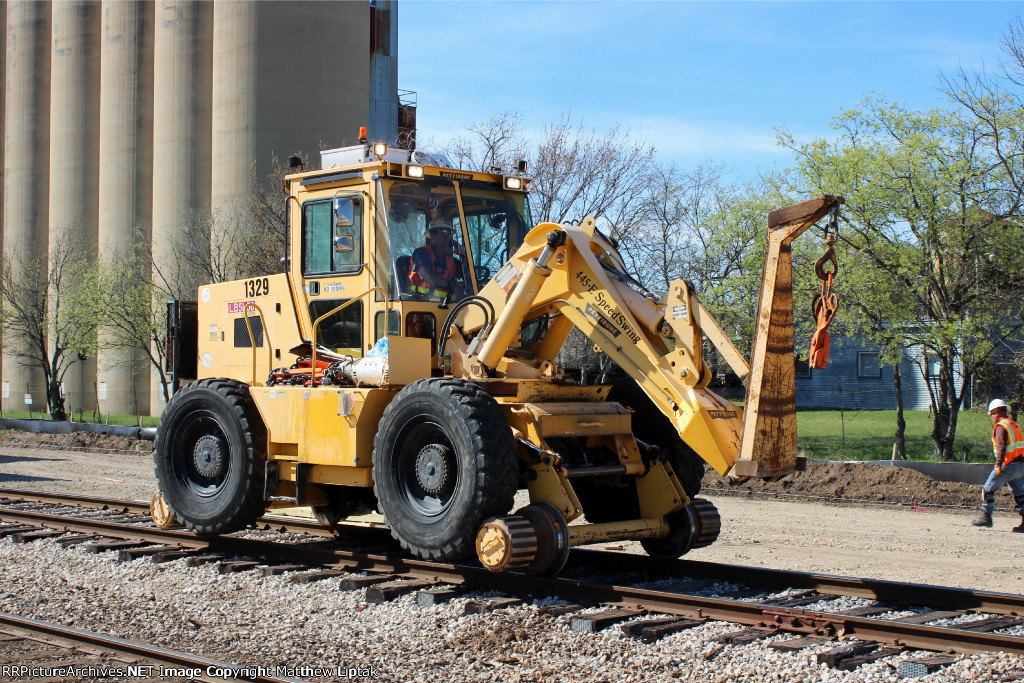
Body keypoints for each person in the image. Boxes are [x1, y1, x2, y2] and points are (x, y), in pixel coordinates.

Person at [972, 399, 1024, 531]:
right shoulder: (1013, 424)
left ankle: (986, 517)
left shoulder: (1001, 426)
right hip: (1020, 466)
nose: (992, 418)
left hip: (1007, 465)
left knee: (988, 489)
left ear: (996, 412)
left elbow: (1001, 446)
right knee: (1020, 494)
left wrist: (998, 464)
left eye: (992, 414)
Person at [409, 217, 463, 300]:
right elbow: (426, 276)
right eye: (443, 233)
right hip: (422, 304)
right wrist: (452, 285)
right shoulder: (422, 253)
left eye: (449, 234)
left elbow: (466, 276)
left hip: (449, 306)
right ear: (432, 235)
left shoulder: (450, 260)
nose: (447, 237)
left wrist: (463, 254)